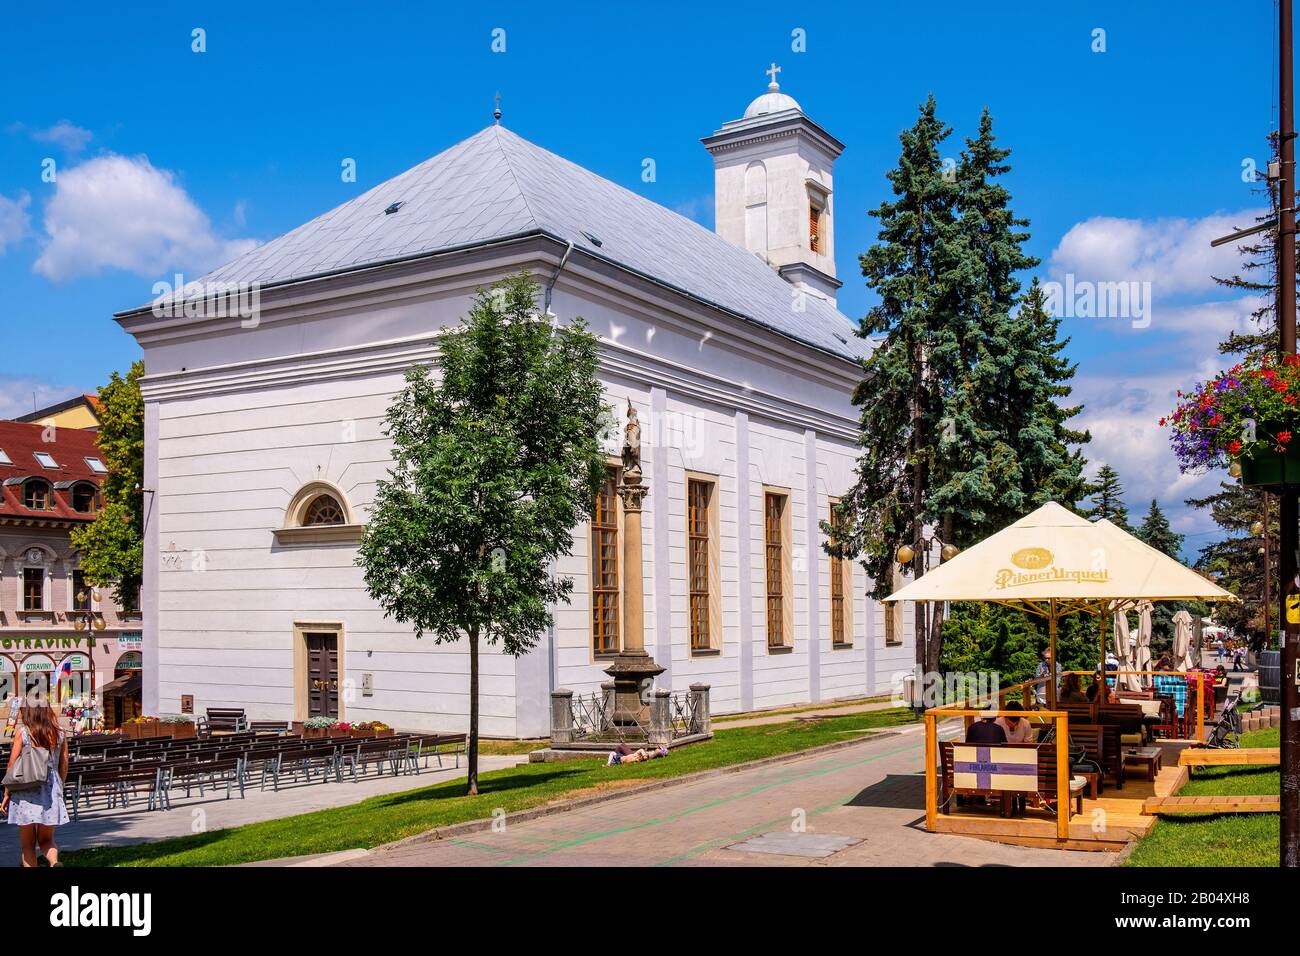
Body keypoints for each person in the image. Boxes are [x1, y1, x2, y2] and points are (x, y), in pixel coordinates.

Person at [1, 698, 69, 867]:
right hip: (50, 789)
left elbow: (12, 764)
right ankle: (54, 863)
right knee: (47, 840)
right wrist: (60, 784)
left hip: (25, 790)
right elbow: (64, 762)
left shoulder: (23, 732)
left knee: (28, 844)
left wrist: (7, 793)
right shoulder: (59, 733)